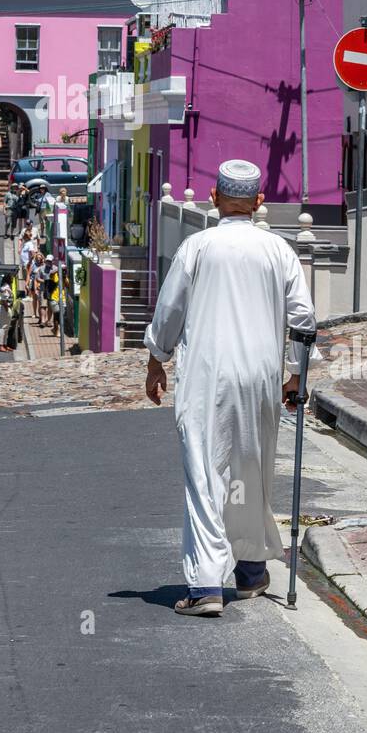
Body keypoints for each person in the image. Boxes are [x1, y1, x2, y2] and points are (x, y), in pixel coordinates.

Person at [144, 159, 317, 618]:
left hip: (207, 375)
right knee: (249, 470)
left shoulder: (197, 247)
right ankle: (250, 569)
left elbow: (169, 311)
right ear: (259, 202)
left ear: (214, 198)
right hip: (260, 376)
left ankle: (204, 587)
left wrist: (156, 360)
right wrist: (297, 375)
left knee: (206, 473)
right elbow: (303, 320)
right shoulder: (279, 251)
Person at [0, 278, 14, 353]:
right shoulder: (5, 288)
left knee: (6, 327)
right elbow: (4, 300)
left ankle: (5, 344)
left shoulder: (6, 287)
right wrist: (7, 309)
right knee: (3, 327)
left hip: (5, 307)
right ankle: (0, 345)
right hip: (4, 307)